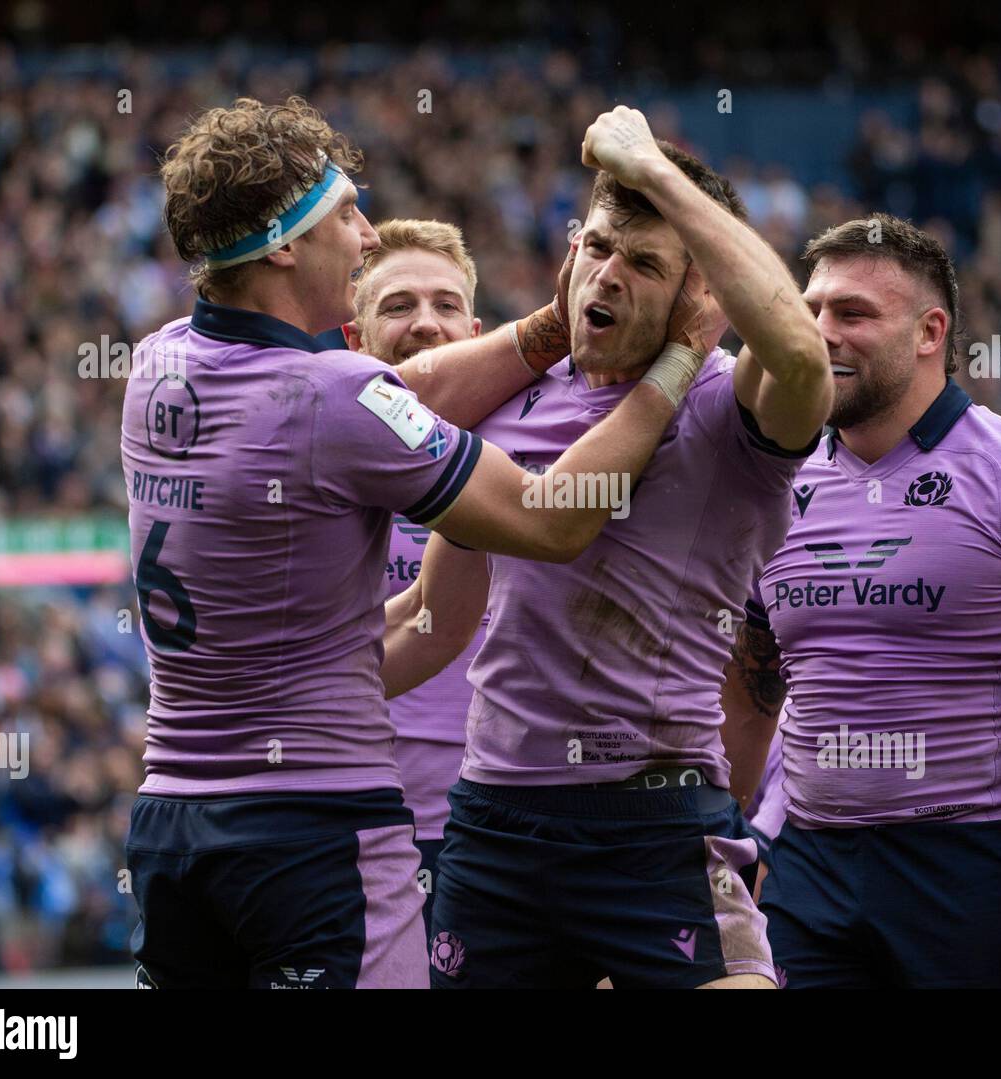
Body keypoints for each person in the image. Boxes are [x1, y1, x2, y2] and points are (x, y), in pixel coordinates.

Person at [122, 96, 714, 989]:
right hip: (313, 837)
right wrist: (677, 366)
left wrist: (546, 332)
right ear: (284, 247)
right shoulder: (335, 397)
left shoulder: (156, 362)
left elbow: (395, 430)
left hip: (172, 828)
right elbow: (553, 520)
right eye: (345, 211)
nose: (363, 232)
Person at [382, 106, 831, 989]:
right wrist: (548, 325)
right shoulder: (517, 385)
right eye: (597, 248)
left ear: (697, 292)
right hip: (496, 814)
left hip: (652, 810)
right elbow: (388, 407)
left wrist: (660, 171)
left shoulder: (725, 406)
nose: (611, 274)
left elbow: (804, 360)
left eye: (648, 264)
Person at [727, 212, 1001, 989]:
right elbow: (754, 683)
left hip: (975, 865)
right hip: (808, 863)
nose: (821, 333)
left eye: (853, 313)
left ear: (930, 331)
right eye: (810, 311)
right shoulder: (770, 481)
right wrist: (727, 843)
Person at [340, 218, 486, 932]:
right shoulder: (313, 466)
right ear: (353, 338)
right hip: (348, 832)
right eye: (398, 306)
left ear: (478, 329)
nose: (426, 324)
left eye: (446, 305)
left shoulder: (547, 459)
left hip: (506, 837)